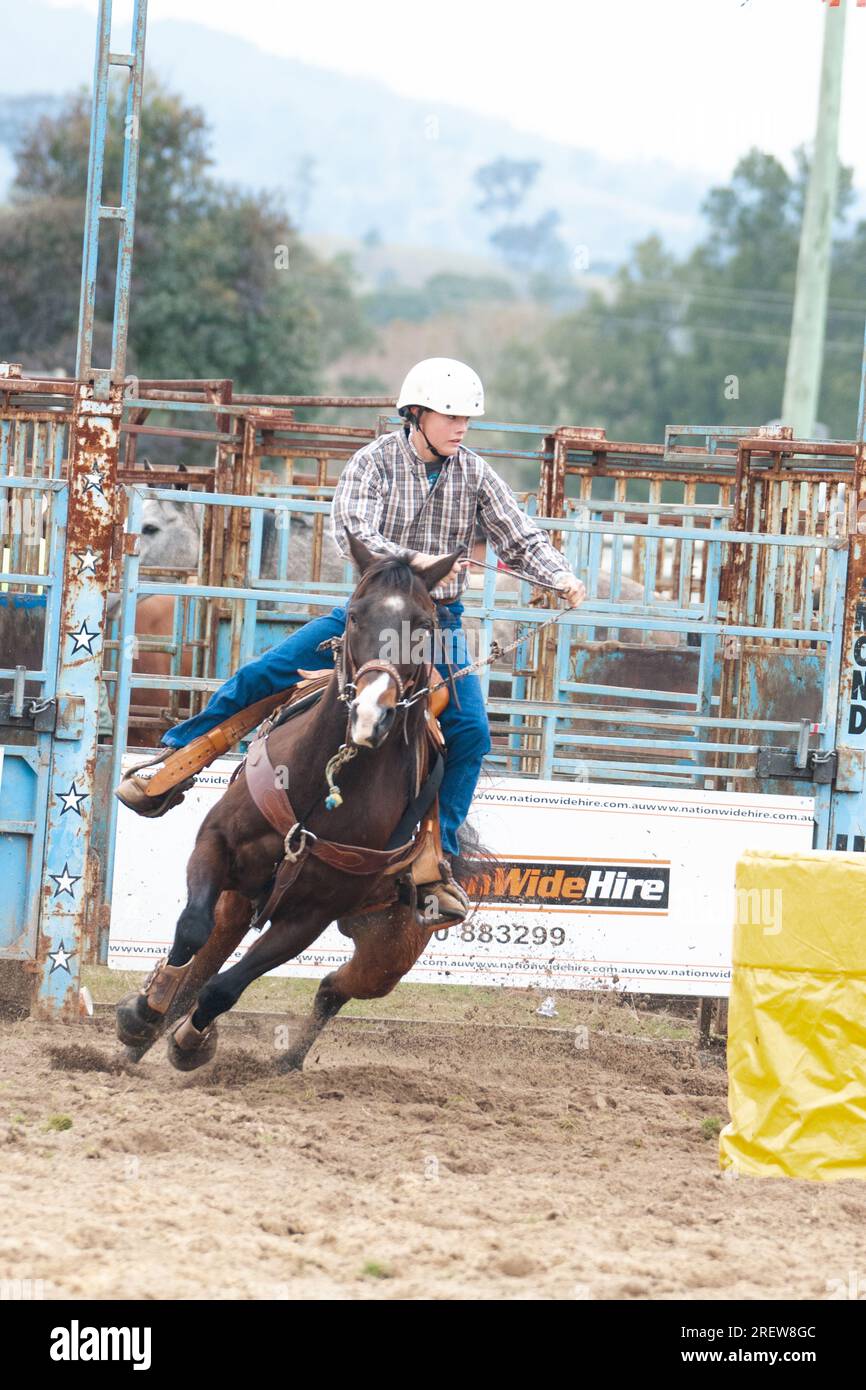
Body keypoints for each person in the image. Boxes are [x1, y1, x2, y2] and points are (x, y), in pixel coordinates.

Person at [117, 357, 585, 923]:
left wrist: (558, 574)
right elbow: (353, 530)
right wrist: (417, 563)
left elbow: (520, 534)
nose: (461, 427)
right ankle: (172, 763)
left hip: (433, 627)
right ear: (416, 413)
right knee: (264, 673)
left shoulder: (475, 474)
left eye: (467, 418)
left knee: (471, 733)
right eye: (450, 415)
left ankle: (440, 859)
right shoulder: (374, 463)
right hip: (365, 617)